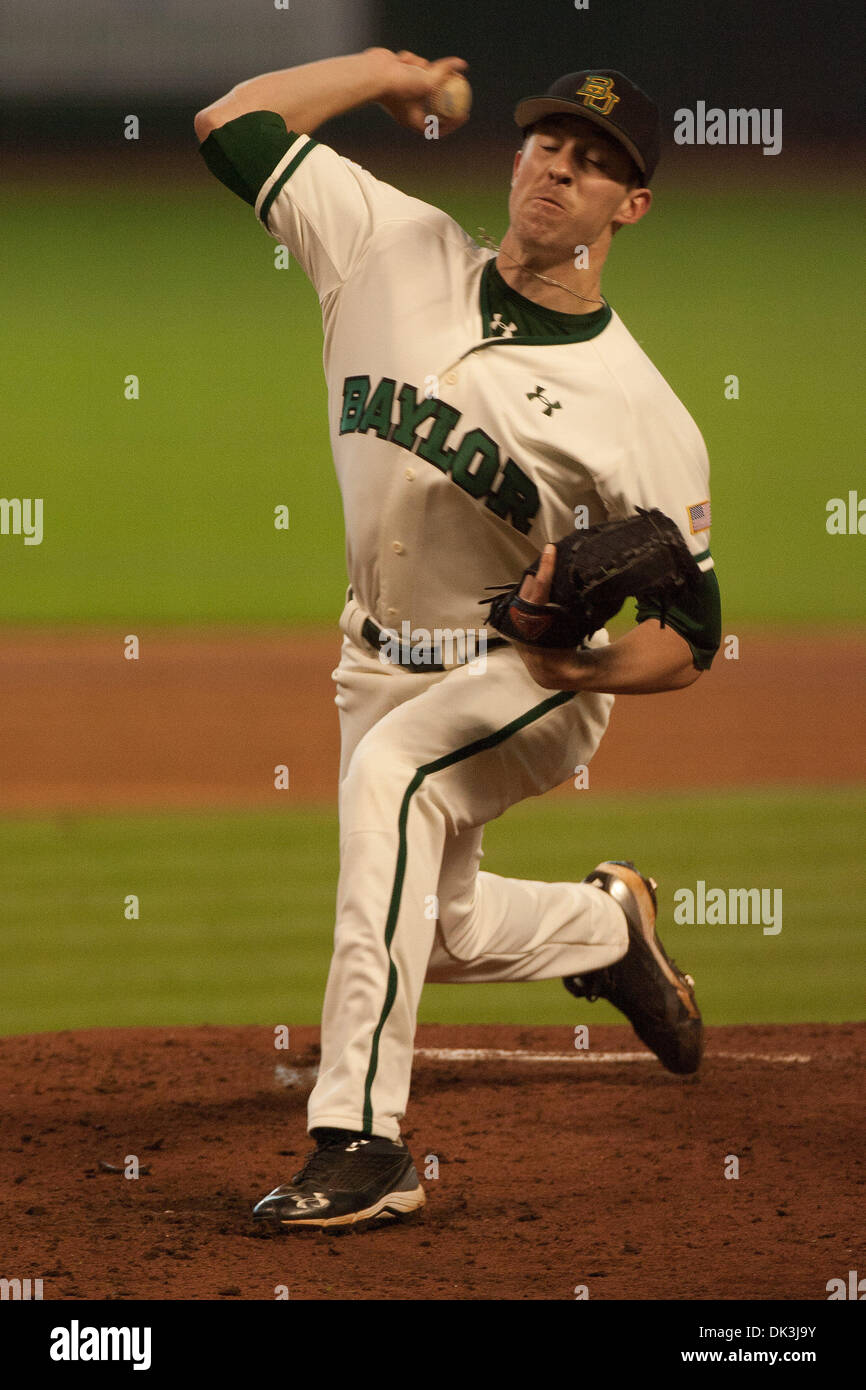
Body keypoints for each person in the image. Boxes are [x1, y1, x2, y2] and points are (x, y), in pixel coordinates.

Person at [194, 50, 721, 1229]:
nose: (559, 172)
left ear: (627, 208)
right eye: (549, 145)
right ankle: (607, 925)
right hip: (373, 656)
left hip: (516, 678)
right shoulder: (389, 242)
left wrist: (579, 667)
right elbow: (231, 123)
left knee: (396, 778)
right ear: (517, 154)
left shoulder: (639, 413)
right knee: (433, 927)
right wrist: (381, 71)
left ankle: (362, 1145)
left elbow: (692, 637)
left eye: (594, 167)